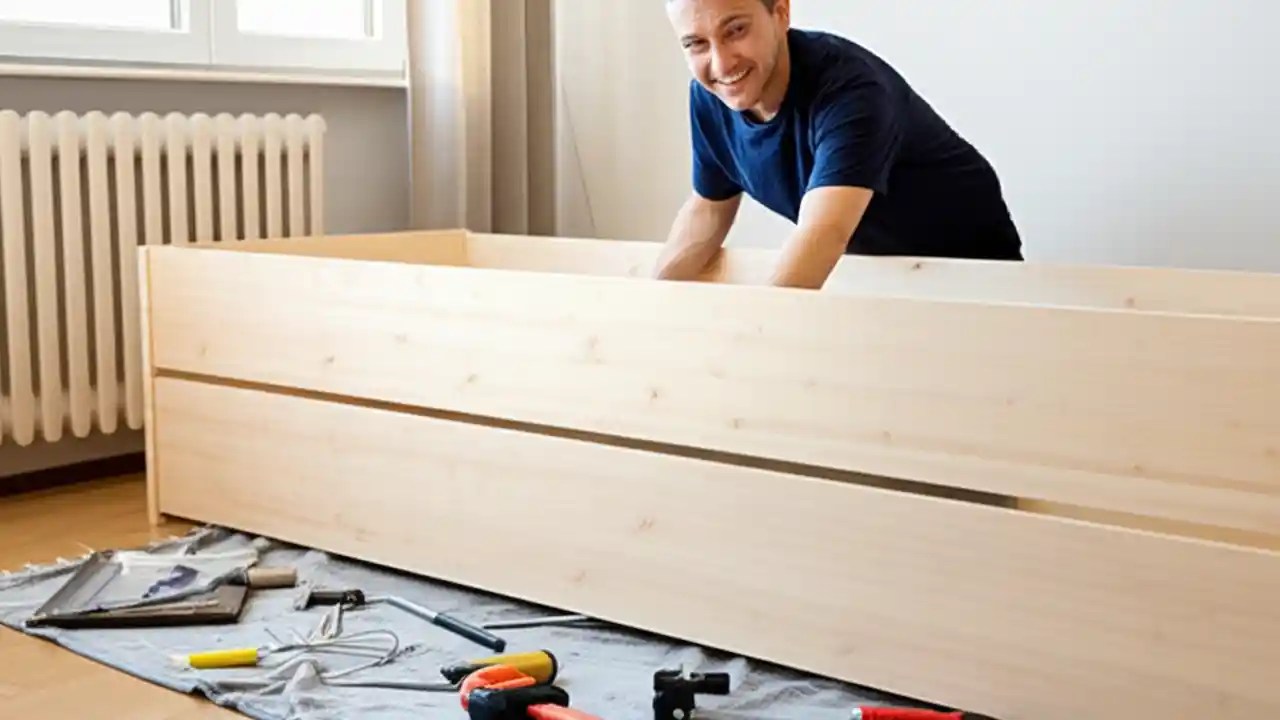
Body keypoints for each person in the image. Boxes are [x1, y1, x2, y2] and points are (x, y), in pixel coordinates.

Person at [655, 0, 1023, 289]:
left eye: (735, 30)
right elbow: (709, 209)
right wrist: (647, 307)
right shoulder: (710, 98)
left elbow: (824, 233)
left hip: (973, 267)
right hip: (875, 272)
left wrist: (756, 334)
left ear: (781, 13)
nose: (720, 63)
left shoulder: (852, 91)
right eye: (696, 44)